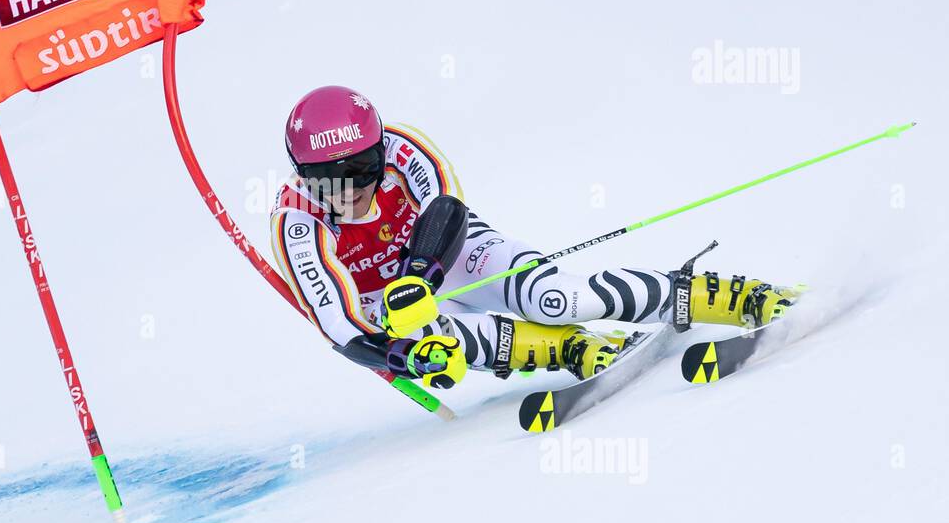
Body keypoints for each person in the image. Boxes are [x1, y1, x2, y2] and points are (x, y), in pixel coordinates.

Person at [270, 85, 797, 390]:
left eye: (363, 169)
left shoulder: (405, 148)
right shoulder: (296, 222)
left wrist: (418, 276)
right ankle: (572, 352)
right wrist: (403, 357)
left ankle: (723, 296)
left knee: (558, 297)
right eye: (326, 179)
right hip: (391, 310)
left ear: (381, 149)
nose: (347, 191)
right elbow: (339, 325)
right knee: (443, 340)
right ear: (300, 174)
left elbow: (446, 209)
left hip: (447, 255)